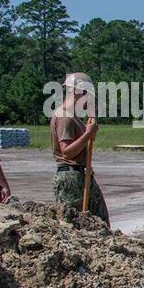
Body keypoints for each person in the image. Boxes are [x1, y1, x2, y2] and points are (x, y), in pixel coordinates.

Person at [50, 72, 109, 223]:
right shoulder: (65, 116)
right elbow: (67, 151)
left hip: (80, 174)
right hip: (70, 177)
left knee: (98, 220)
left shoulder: (73, 116)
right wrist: (88, 133)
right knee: (74, 223)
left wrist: (90, 130)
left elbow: (84, 146)